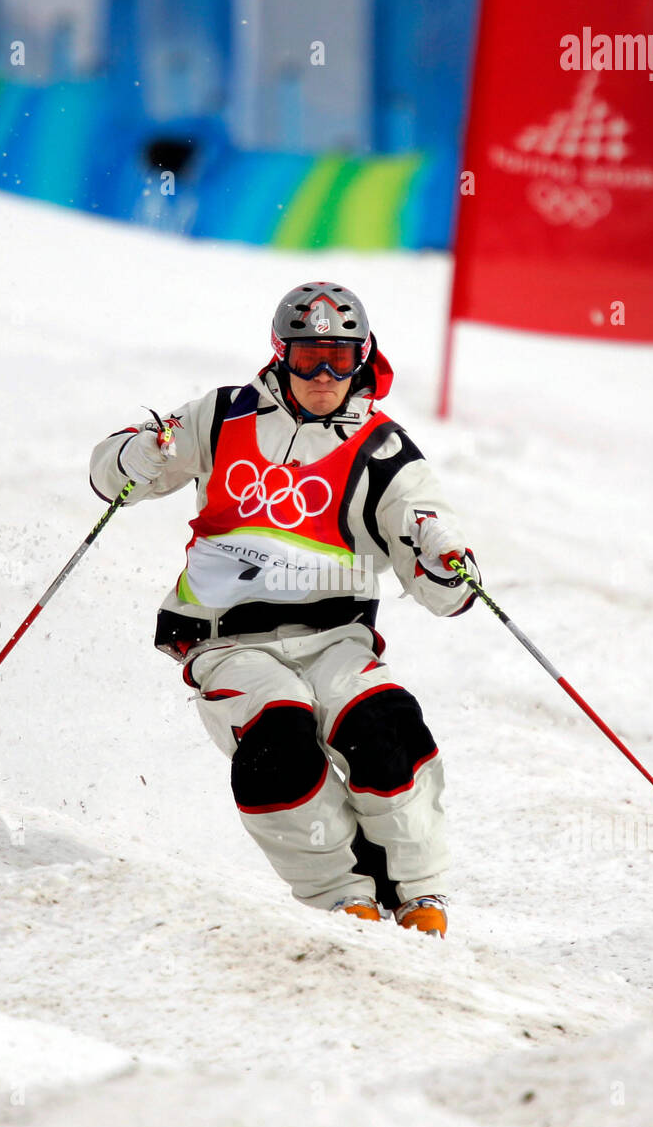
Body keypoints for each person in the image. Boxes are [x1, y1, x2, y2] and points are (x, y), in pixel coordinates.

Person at [89, 282, 480, 937]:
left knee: (382, 724)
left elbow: (444, 591)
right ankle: (341, 892)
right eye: (307, 359)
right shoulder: (221, 416)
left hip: (334, 638)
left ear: (363, 358)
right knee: (280, 735)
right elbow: (114, 479)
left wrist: (443, 555)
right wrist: (135, 454)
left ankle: (417, 892)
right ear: (280, 356)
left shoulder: (382, 452)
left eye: (339, 357)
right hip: (228, 640)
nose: (324, 376)